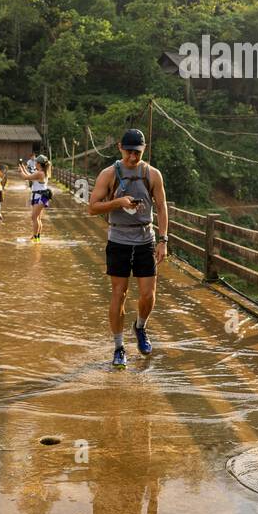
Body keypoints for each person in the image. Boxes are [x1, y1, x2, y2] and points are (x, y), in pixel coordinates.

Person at [88, 128, 168, 368]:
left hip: (145, 239)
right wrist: (118, 202)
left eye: (138, 152)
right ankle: (119, 347)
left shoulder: (152, 174)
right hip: (119, 240)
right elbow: (92, 207)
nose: (133, 157)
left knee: (147, 294)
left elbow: (162, 208)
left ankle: (140, 327)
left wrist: (163, 240)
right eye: (129, 152)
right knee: (118, 293)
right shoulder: (109, 174)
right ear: (120, 148)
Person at [18, 153, 52, 241]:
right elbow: (30, 176)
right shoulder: (41, 172)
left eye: (36, 162)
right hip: (40, 196)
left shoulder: (40, 173)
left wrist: (20, 171)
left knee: (34, 217)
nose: (35, 163)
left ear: (39, 164)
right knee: (37, 218)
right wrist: (23, 169)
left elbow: (26, 177)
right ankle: (37, 237)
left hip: (40, 196)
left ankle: (35, 237)